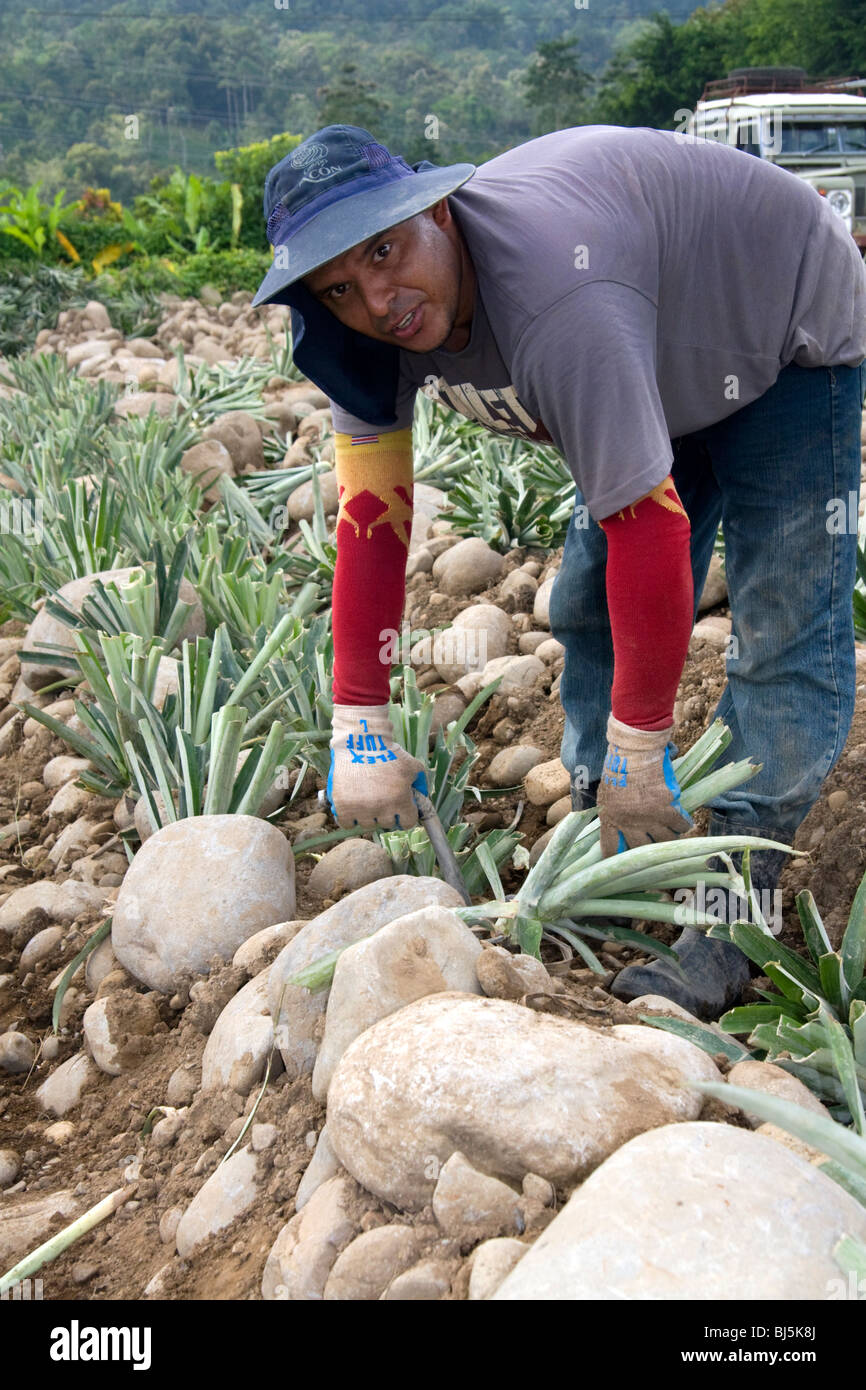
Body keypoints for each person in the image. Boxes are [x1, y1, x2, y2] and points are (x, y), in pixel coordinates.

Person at [252, 122, 866, 1019]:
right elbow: (372, 524)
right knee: (583, 601)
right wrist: (359, 721)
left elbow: (648, 534)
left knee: (779, 630)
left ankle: (733, 910)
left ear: (440, 213)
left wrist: (643, 744)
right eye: (339, 285)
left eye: (387, 250)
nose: (379, 300)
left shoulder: (554, 297)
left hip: (778, 320)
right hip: (654, 342)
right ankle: (606, 823)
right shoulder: (361, 341)